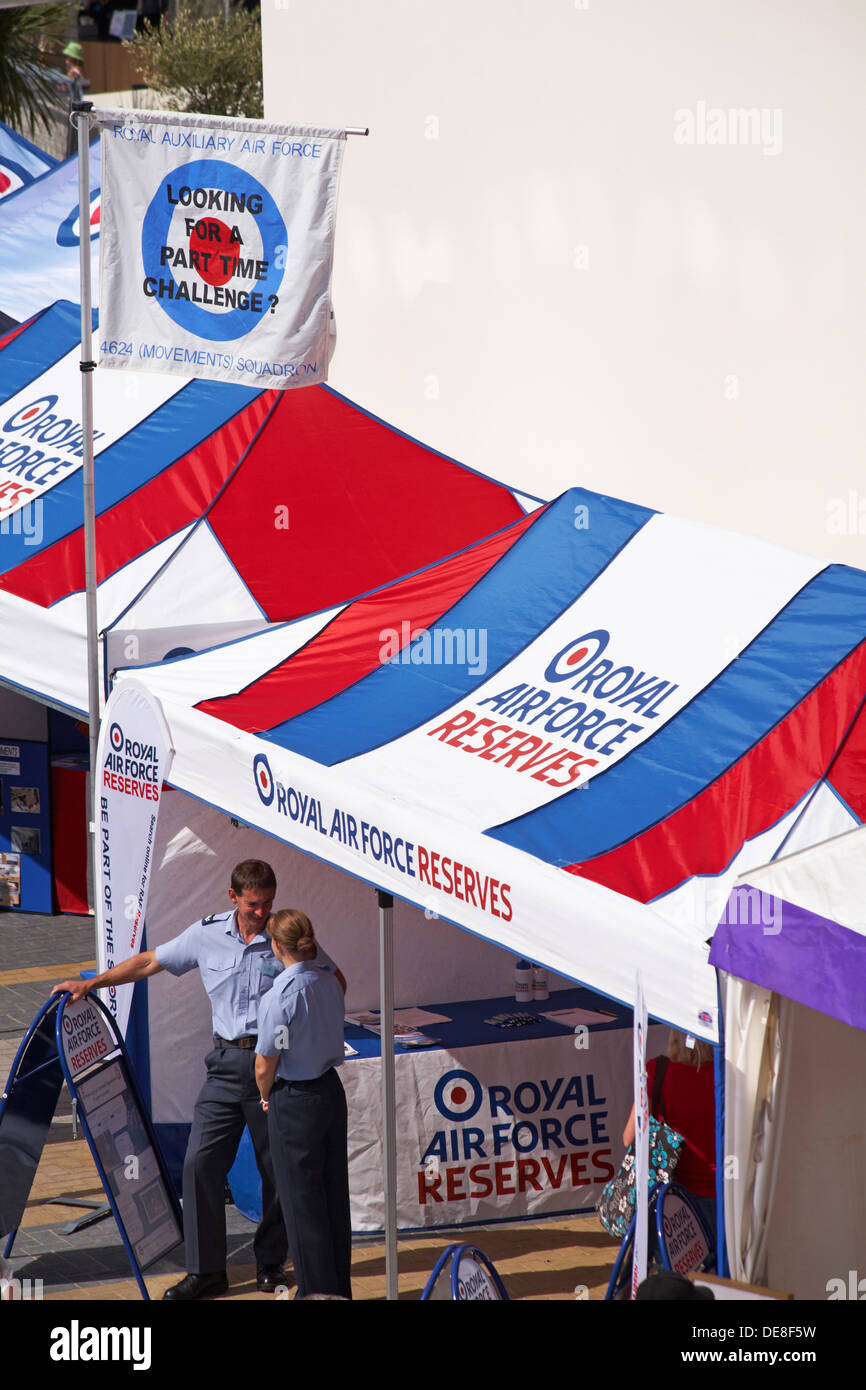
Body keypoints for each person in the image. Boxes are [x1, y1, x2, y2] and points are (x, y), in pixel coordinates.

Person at [53, 860, 345, 1301]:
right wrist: (92, 983)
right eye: (252, 905)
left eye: (268, 903)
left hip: (275, 1067)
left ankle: (271, 1262)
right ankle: (206, 1270)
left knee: (279, 1172)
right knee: (199, 1164)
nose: (262, 913)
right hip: (227, 1064)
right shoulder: (207, 933)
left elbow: (327, 979)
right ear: (232, 897)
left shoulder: (286, 936)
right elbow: (151, 960)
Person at [255, 909, 352, 1301]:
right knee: (332, 1193)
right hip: (330, 1090)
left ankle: (316, 1292)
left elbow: (266, 1061)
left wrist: (264, 1096)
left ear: (277, 946)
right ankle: (337, 1288)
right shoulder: (329, 981)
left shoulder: (280, 996)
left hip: (296, 1098)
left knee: (301, 1200)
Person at [622, 1030, 717, 1246]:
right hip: (727, 1195)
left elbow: (629, 1138)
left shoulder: (657, 1070)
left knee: (678, 1274)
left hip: (675, 1199)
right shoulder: (728, 1074)